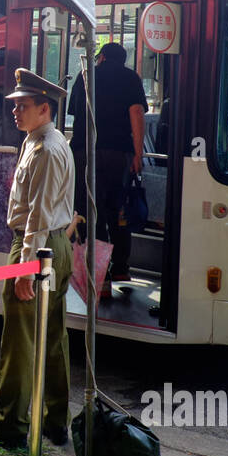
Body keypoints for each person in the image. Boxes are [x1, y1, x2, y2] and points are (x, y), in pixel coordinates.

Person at [0, 68, 75, 449]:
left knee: (20, 340)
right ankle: (55, 420)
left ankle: (12, 425)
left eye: (24, 105)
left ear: (44, 108)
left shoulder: (46, 148)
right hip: (55, 246)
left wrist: (25, 269)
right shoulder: (47, 140)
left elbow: (38, 215)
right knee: (52, 337)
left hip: (37, 247)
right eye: (15, 104)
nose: (15, 111)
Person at [67, 42, 147, 290]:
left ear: (101, 57)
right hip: (117, 153)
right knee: (118, 210)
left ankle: (98, 275)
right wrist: (137, 153)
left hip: (84, 151)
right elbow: (136, 111)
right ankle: (121, 268)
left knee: (90, 211)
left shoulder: (85, 75)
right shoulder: (130, 77)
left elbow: (74, 114)